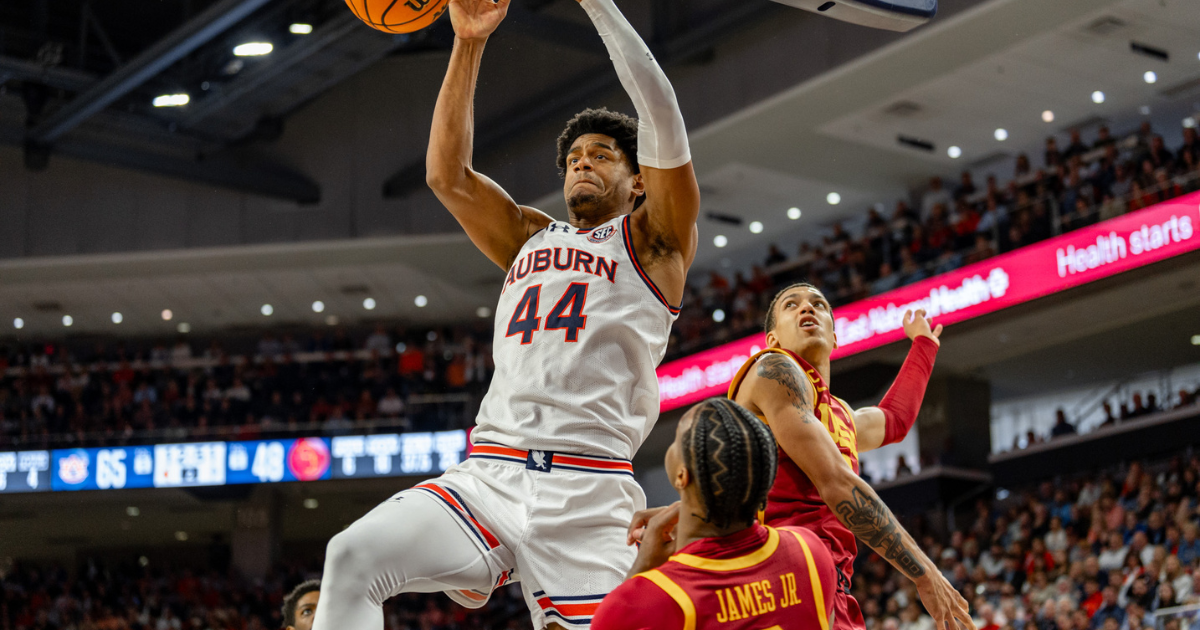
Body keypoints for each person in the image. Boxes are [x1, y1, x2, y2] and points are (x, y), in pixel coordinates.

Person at [312, 0, 700, 628]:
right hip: (491, 474)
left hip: (589, 489)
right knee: (351, 556)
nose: (582, 160)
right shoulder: (530, 237)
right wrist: (468, 42)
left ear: (638, 183)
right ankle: (482, 562)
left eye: (602, 154)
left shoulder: (656, 243)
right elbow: (448, 176)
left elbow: (659, 108)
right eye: (575, 155)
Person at [725, 284, 972, 630]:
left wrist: (924, 346)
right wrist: (925, 572)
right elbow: (837, 483)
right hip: (779, 581)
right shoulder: (772, 370)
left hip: (827, 583)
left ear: (836, 338)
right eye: (791, 306)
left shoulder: (840, 414)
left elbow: (895, 420)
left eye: (819, 305)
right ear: (773, 340)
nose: (806, 309)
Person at [594, 397, 836, 630]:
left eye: (677, 440)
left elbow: (619, 617)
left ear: (682, 475)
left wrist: (643, 568)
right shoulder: (810, 552)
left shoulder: (648, 601)